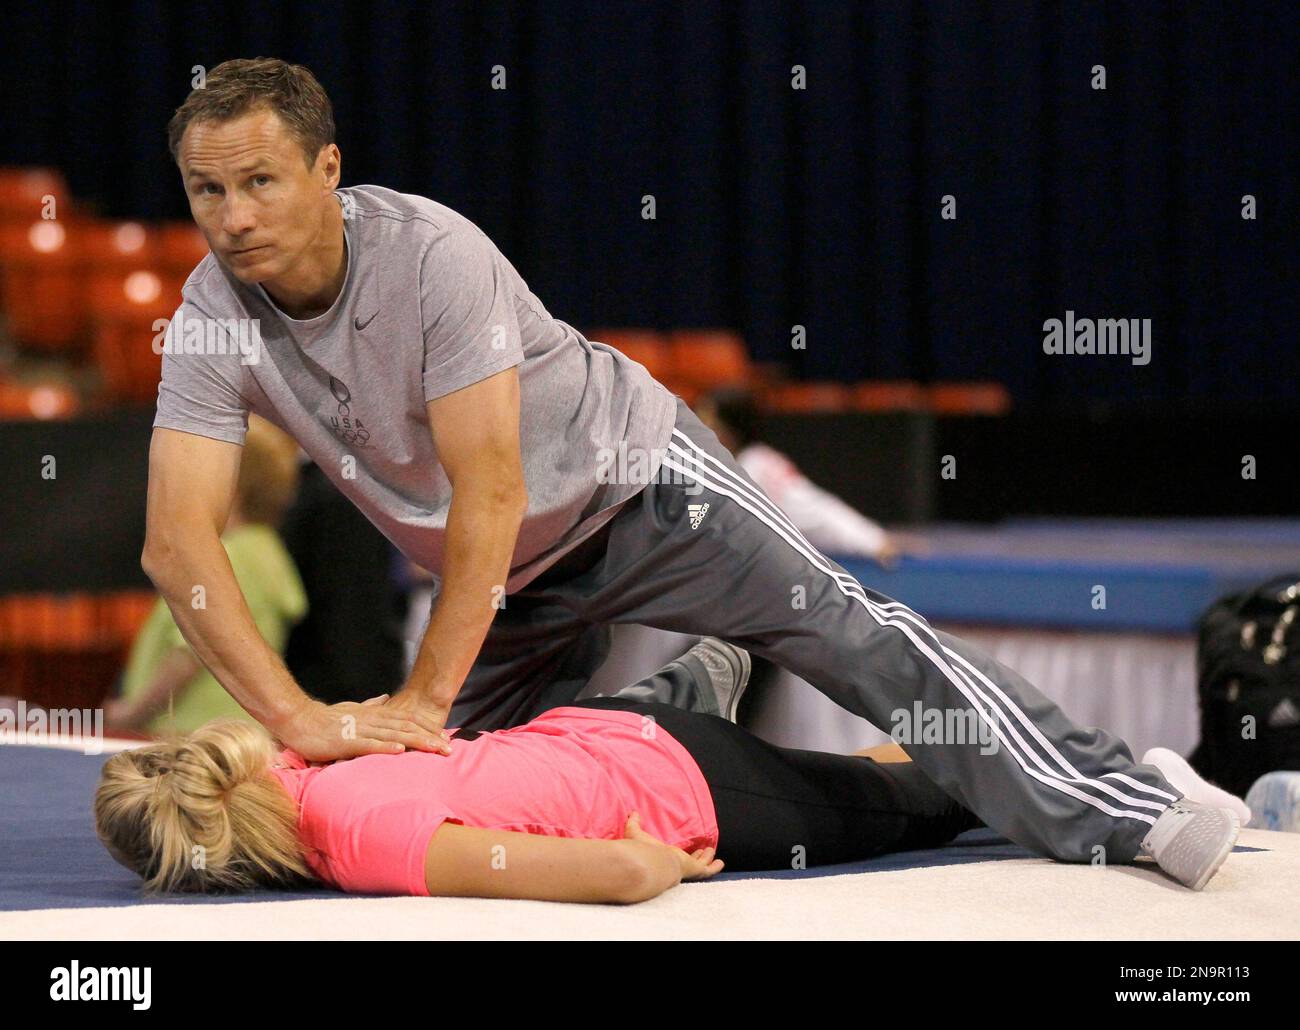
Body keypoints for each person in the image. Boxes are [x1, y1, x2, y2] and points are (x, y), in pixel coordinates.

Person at [145, 57, 1238, 891]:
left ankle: (1127, 799)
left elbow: (489, 489)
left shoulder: (431, 255)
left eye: (259, 181)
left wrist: (423, 698)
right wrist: (297, 717)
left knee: (855, 637)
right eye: (206, 190)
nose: (233, 217)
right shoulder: (206, 314)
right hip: (510, 576)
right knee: (456, 785)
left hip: (642, 494)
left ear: (327, 171)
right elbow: (176, 542)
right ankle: (678, 693)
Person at [94, 640, 982, 902]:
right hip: (600, 726)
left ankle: (1076, 771)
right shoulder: (301, 752)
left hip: (681, 786)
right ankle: (683, 687)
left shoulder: (357, 842)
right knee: (836, 775)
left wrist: (669, 861)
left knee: (924, 803)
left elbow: (623, 870)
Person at [107, 414, 306, 735]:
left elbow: (191, 655)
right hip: (227, 738)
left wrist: (133, 713)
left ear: (230, 485)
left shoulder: (229, 556)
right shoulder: (265, 549)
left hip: (195, 740)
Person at [695, 386, 925, 567]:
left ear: (730, 428)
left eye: (708, 421)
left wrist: (872, 541)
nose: (699, 427)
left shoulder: (753, 468)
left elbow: (812, 511)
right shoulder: (747, 461)